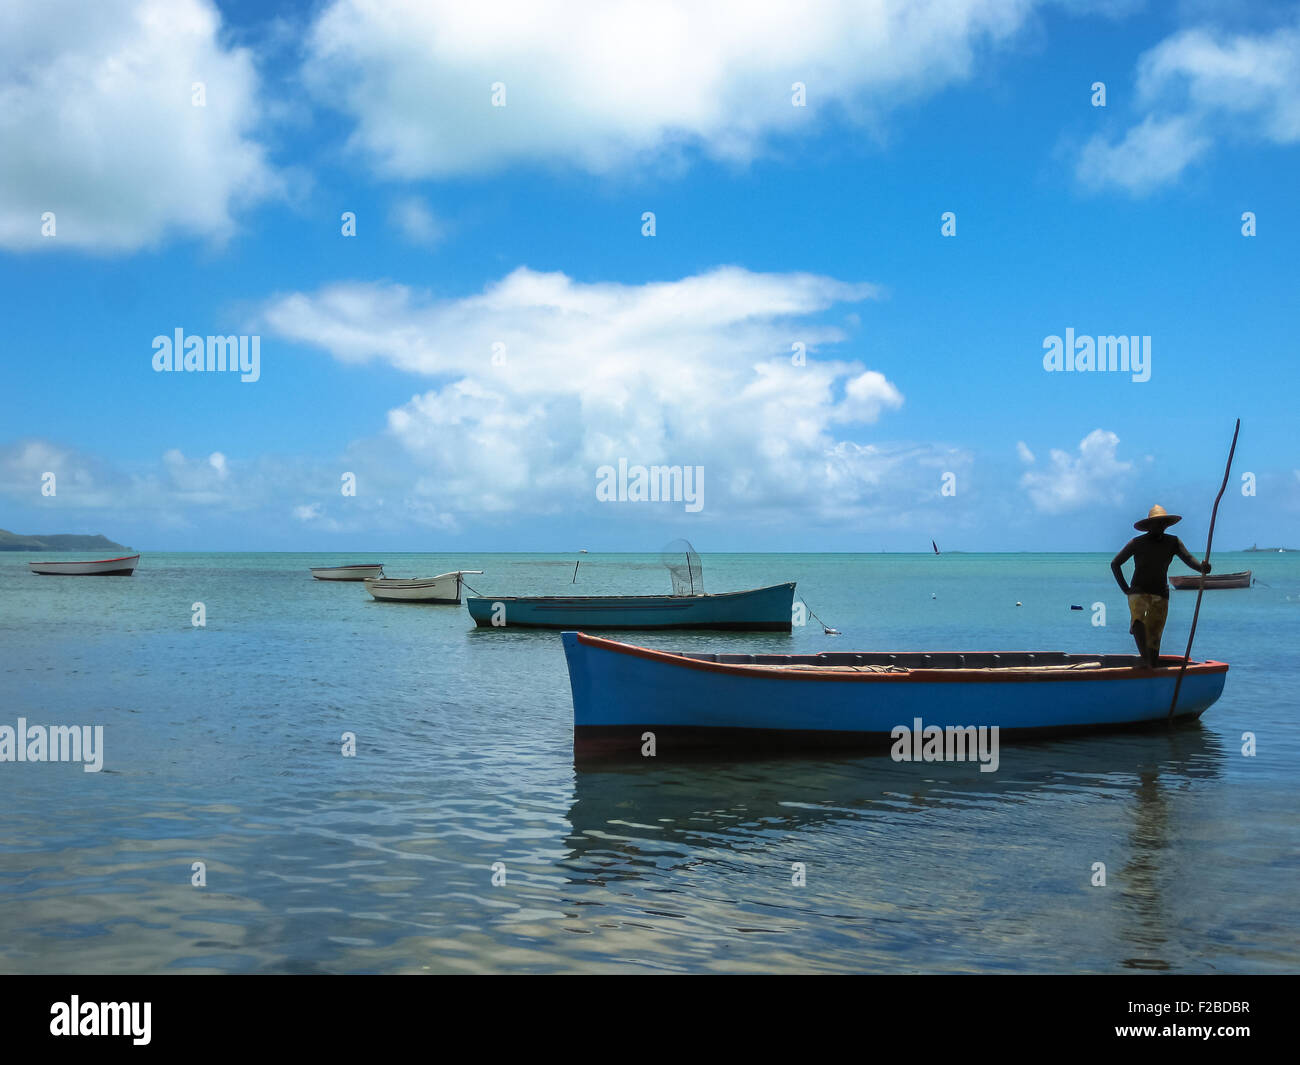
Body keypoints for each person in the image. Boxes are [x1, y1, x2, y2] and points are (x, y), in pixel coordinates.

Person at [1111, 505, 1210, 668]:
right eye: (1156, 523)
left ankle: (1153, 667)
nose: (1159, 527)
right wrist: (1125, 590)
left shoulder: (1173, 542)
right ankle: (1146, 661)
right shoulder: (1137, 543)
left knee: (1155, 634)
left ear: (1166, 525)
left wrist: (1201, 568)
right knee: (1138, 621)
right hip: (1138, 591)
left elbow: (1188, 558)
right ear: (1148, 526)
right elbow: (1115, 563)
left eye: (1162, 523)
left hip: (1160, 594)